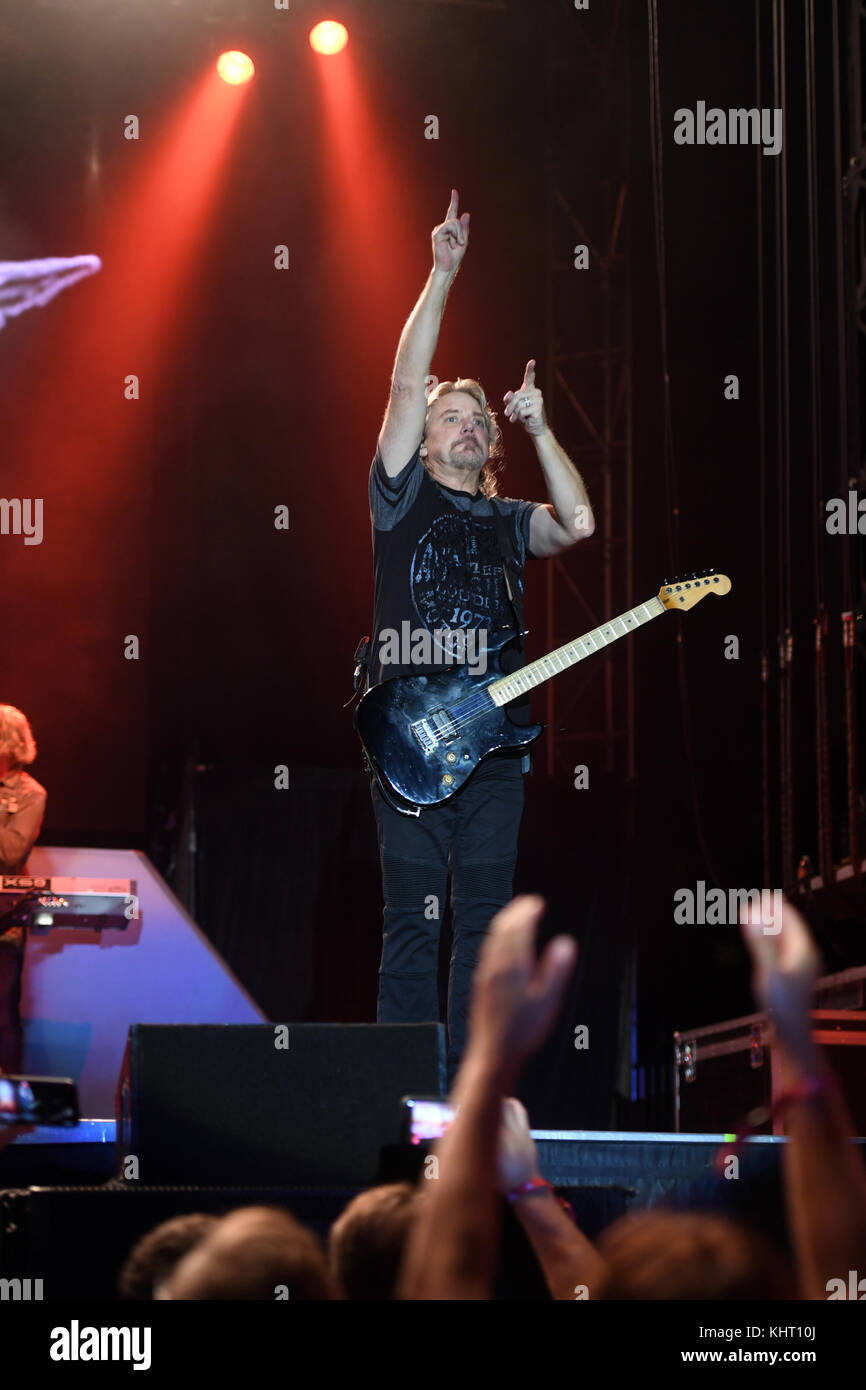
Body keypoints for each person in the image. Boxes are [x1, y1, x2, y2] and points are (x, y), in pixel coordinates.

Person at [367, 188, 594, 1076]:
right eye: (450, 415)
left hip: (495, 744)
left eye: (477, 417)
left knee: (487, 918)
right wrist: (442, 270)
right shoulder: (400, 495)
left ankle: (467, 1092)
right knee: (413, 920)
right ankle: (397, 1104)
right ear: (422, 439)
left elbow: (577, 525)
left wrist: (538, 428)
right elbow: (399, 382)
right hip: (409, 740)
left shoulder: (503, 520)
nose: (468, 424)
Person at [0, 705, 47, 1071]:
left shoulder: (30, 793)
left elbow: (12, 850)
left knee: (2, 1014)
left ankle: (7, 1113)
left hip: (3, 923)